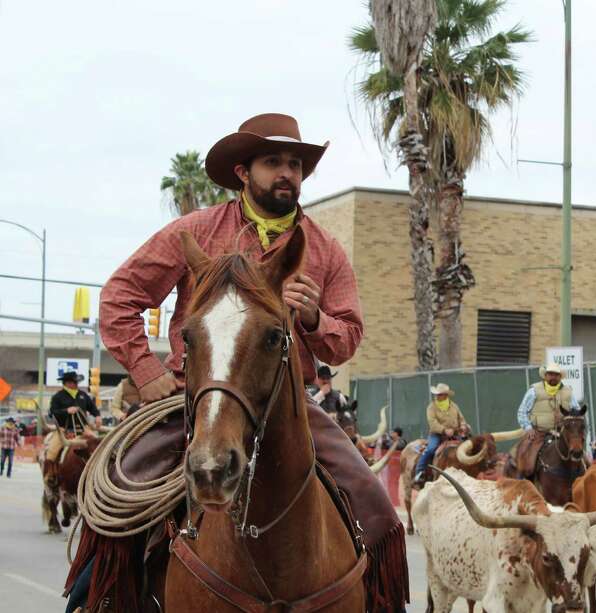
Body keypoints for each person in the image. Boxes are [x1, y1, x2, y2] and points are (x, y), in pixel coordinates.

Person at [65, 113, 408, 612]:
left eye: (295, 164)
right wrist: (148, 372)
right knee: (117, 505)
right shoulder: (196, 231)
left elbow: (347, 338)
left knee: (378, 513)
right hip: (194, 399)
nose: (286, 173)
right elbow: (119, 296)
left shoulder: (325, 249)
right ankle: (93, 599)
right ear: (243, 172)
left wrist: (314, 319)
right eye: (273, 162)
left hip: (288, 404)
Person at [513, 361, 581, 476]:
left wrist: (568, 419)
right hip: (539, 432)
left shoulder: (568, 392)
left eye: (556, 374)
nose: (553, 377)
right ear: (545, 376)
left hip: (563, 433)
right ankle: (521, 481)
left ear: (560, 377)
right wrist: (528, 428)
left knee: (582, 458)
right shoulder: (534, 390)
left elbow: (577, 412)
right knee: (527, 463)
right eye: (550, 374)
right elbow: (522, 411)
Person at [414, 383, 468, 486]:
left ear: (446, 395)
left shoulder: (454, 406)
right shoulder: (431, 407)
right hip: (437, 434)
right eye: (436, 394)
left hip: (455, 433)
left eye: (440, 394)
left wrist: (463, 425)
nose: (437, 396)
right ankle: (419, 472)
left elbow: (461, 418)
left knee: (468, 447)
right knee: (430, 449)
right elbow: (432, 422)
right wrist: (444, 430)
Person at [46, 371, 101, 464]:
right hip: (64, 431)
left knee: (99, 445)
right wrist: (66, 411)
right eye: (74, 382)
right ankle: (49, 471)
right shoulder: (58, 397)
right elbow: (52, 413)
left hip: (83, 430)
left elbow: (93, 408)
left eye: (76, 382)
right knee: (51, 452)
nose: (76, 384)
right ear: (67, 383)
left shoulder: (83, 395)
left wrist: (97, 416)